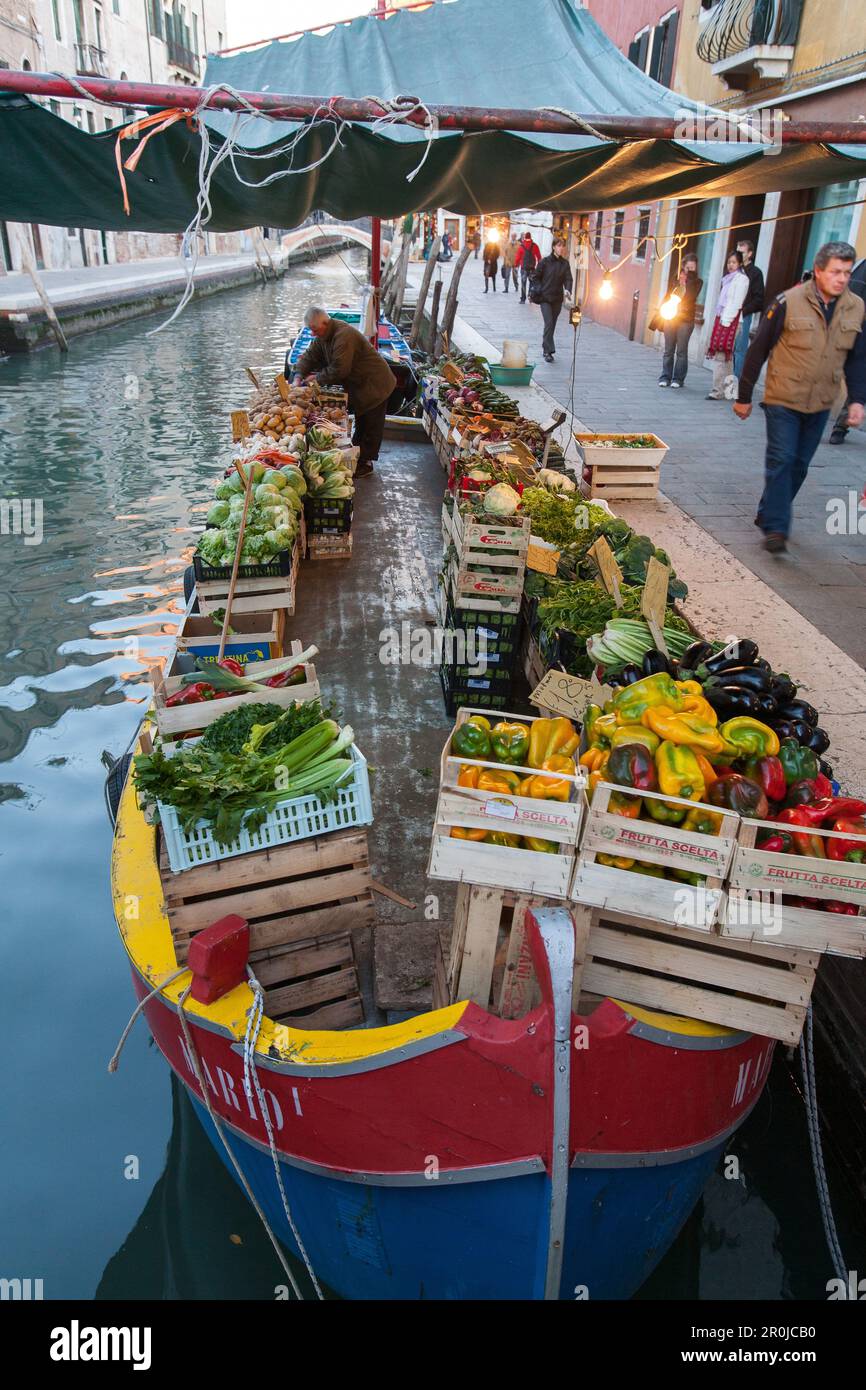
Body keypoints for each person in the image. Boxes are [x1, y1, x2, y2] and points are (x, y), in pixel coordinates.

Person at [734, 241, 866, 553]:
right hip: (783, 397)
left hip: (821, 402)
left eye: (847, 272)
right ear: (819, 271)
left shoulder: (856, 308)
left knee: (799, 466)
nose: (842, 278)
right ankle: (776, 529)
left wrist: (858, 400)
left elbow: (858, 358)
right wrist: (744, 395)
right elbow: (758, 349)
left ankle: (769, 510)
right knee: (783, 458)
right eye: (835, 271)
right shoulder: (787, 302)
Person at [293, 306, 396, 478]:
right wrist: (298, 375)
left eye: (315, 330)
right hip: (360, 384)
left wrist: (316, 380)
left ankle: (366, 463)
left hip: (375, 382)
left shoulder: (344, 336)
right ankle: (357, 456)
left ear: (325, 323)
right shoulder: (323, 336)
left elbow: (340, 369)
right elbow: (310, 355)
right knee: (362, 421)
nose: (312, 334)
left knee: (371, 423)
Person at [829, 254, 866, 443]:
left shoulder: (859, 267)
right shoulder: (860, 268)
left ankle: (841, 425)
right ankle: (840, 425)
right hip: (858, 334)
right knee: (857, 378)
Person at [705, 249, 749, 400]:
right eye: (729, 262)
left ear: (740, 264)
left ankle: (717, 391)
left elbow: (736, 302)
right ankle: (730, 391)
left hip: (731, 320)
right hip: (722, 318)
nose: (731, 265)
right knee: (727, 358)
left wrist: (726, 321)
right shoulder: (728, 279)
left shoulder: (741, 280)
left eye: (734, 262)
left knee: (720, 355)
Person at [658, 253, 703, 389]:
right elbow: (668, 295)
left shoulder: (698, 282)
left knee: (681, 351)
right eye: (687, 267)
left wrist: (687, 279)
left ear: (695, 268)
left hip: (686, 319)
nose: (689, 270)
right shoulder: (675, 278)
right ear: (683, 266)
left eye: (692, 268)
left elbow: (690, 296)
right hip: (671, 317)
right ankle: (665, 376)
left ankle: (678, 379)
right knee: (668, 350)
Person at [531, 237, 573, 362]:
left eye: (562, 246)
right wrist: (539, 288)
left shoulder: (565, 263)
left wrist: (567, 289)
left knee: (552, 324)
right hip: (545, 298)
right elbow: (535, 277)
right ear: (554, 247)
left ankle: (546, 347)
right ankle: (548, 351)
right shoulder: (545, 262)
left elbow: (568, 278)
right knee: (549, 323)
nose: (561, 248)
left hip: (557, 299)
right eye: (559, 246)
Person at [732, 239, 765, 380]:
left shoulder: (756, 273)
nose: (738, 255)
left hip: (743, 316)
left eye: (742, 252)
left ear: (750, 254)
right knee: (727, 349)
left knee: (740, 350)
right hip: (729, 314)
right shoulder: (734, 269)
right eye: (737, 251)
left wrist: (743, 311)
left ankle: (735, 385)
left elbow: (759, 299)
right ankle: (725, 384)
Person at [515, 231, 542, 303]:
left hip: (523, 268)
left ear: (525, 237)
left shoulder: (521, 246)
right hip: (532, 269)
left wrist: (516, 265)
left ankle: (523, 299)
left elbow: (517, 258)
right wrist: (539, 266)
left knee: (523, 284)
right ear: (530, 237)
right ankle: (530, 296)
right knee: (532, 283)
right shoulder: (535, 246)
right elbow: (539, 257)